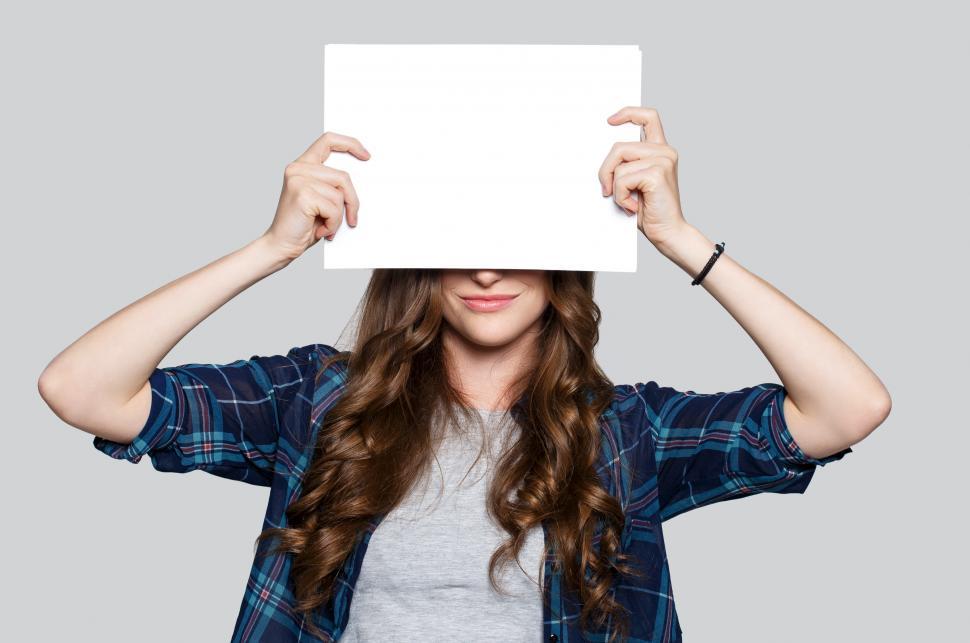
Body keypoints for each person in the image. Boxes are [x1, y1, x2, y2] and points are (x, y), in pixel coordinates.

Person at [37, 106, 890, 643]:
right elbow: (83, 389)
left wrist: (681, 240)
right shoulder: (319, 401)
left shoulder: (629, 430)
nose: (487, 270)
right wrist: (272, 249)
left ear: (564, 265)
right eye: (459, 239)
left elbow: (849, 407)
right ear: (416, 260)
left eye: (518, 240)